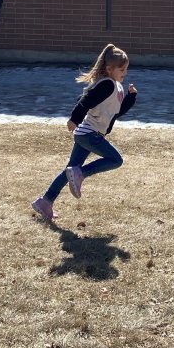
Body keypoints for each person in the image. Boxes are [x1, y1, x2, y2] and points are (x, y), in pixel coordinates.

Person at [32, 43, 138, 222]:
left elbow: (116, 112)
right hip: (89, 134)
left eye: (126, 69)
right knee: (116, 160)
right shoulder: (107, 85)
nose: (125, 73)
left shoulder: (117, 87)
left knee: (69, 170)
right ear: (109, 68)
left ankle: (45, 201)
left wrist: (131, 97)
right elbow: (86, 101)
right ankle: (82, 173)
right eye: (122, 69)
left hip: (86, 134)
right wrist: (75, 118)